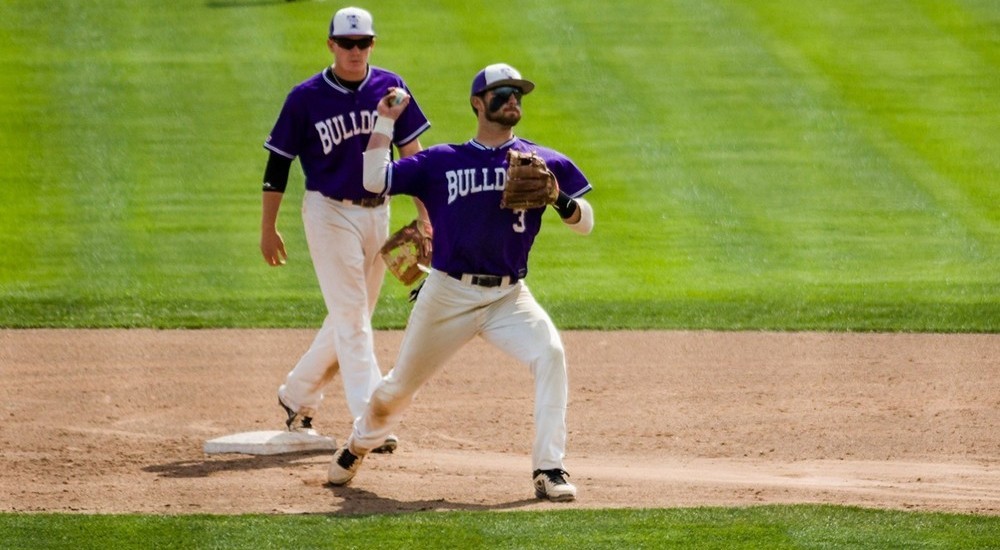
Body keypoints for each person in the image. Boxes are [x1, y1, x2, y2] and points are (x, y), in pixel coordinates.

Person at [326, 63, 595, 501]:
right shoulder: (442, 162)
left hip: (509, 297)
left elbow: (585, 223)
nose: (513, 99)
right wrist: (384, 122)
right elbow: (373, 179)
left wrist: (558, 198)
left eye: (518, 93)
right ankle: (358, 443)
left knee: (550, 354)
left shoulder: (544, 161)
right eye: (502, 92)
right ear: (477, 102)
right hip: (447, 294)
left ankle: (549, 468)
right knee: (397, 389)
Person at [260, 6, 431, 453]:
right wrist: (268, 226)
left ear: (372, 44)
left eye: (363, 43)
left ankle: (296, 394)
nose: (356, 51)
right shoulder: (306, 97)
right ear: (331, 44)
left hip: (379, 212)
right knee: (353, 318)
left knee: (351, 317)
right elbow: (278, 163)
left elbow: (414, 155)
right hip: (328, 212)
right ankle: (371, 420)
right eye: (347, 43)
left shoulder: (392, 89)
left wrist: (426, 213)